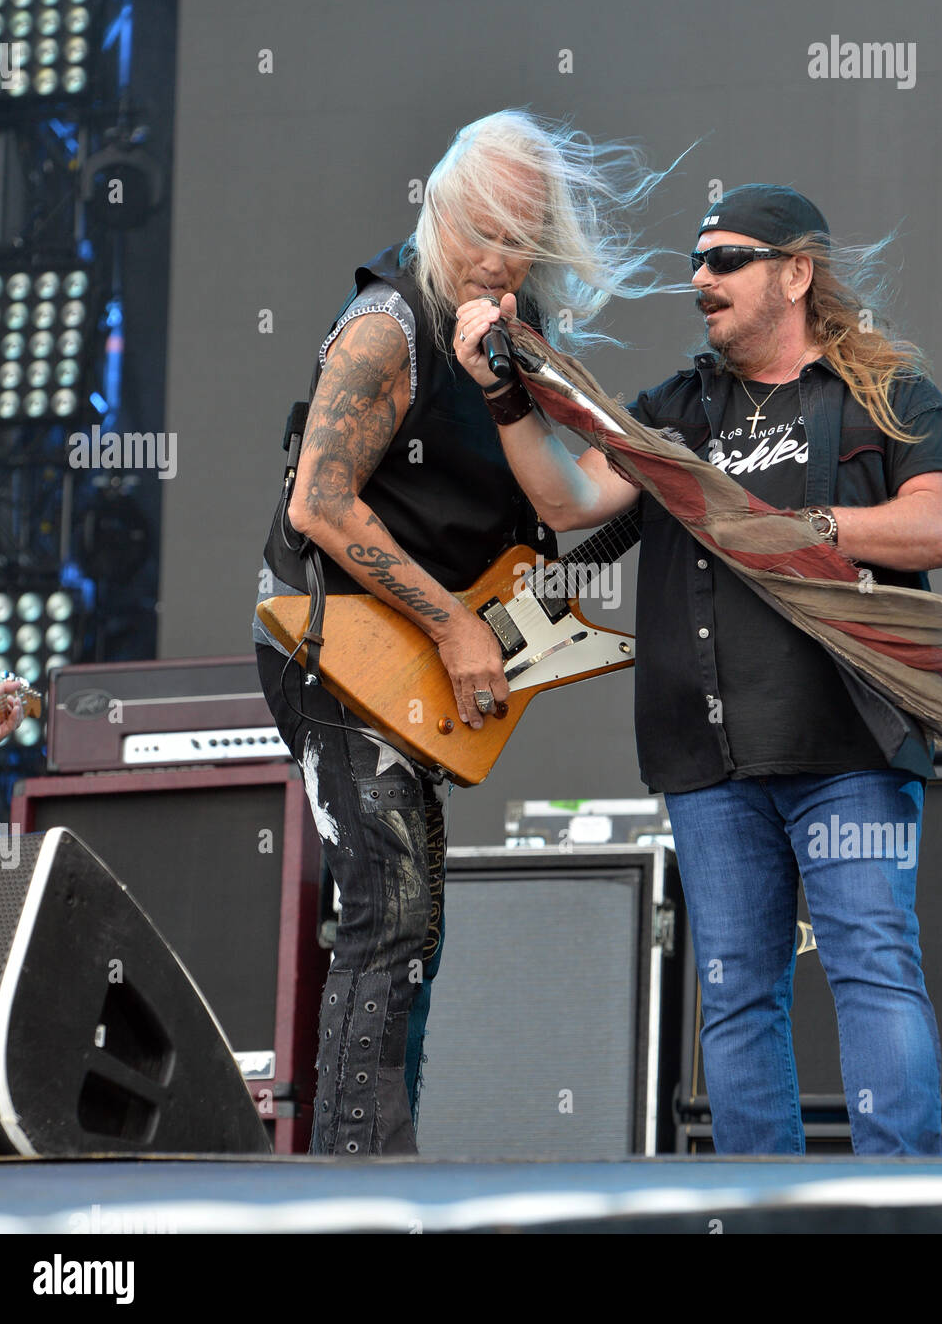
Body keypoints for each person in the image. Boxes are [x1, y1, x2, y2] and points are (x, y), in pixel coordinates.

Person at [453, 183, 942, 1155]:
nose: (701, 279)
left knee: (872, 967)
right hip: (708, 759)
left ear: (795, 273)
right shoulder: (676, 408)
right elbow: (569, 502)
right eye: (696, 261)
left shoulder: (883, 394)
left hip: (848, 746)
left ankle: (903, 1209)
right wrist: (502, 395)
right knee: (735, 995)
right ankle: (758, 1219)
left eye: (726, 259)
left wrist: (811, 528)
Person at [253, 110, 668, 1155]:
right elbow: (318, 503)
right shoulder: (389, 324)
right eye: (479, 226)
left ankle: (393, 1166)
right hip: (338, 644)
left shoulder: (509, 335)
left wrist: (676, 471)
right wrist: (451, 627)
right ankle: (354, 1184)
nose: (495, 253)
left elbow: (570, 508)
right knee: (387, 916)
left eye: (519, 236)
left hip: (420, 648)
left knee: (413, 933)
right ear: (437, 209)